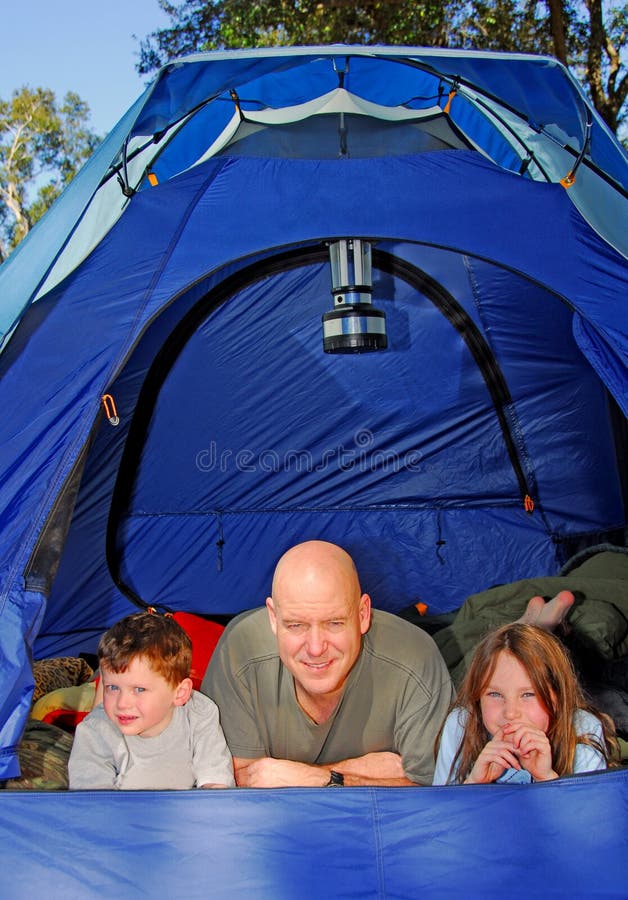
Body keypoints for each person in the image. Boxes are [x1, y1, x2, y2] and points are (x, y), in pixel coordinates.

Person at [202, 540, 455, 787]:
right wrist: (362, 774)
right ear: (273, 617)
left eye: (334, 623)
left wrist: (319, 778)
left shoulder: (414, 659)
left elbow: (435, 797)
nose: (315, 648)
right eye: (296, 625)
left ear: (363, 614)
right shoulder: (241, 651)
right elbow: (237, 785)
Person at [432, 622, 619, 785]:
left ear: (558, 698)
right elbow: (442, 821)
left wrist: (545, 778)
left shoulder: (581, 730)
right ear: (477, 696)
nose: (511, 713)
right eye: (495, 694)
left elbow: (589, 822)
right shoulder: (461, 725)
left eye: (528, 694)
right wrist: (475, 783)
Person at [68, 612, 235, 790]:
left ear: (179, 693)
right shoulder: (96, 730)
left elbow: (216, 782)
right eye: (112, 688)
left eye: (139, 689)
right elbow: (92, 804)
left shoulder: (199, 714)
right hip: (120, 814)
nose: (122, 703)